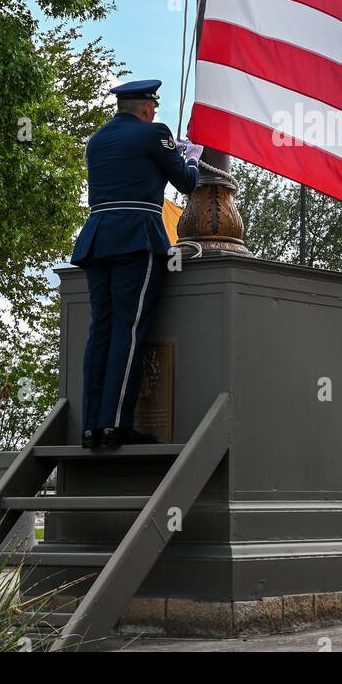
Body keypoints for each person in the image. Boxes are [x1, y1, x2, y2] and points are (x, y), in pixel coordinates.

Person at [70, 79, 203, 448]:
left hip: (97, 239)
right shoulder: (154, 134)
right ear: (147, 108)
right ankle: (115, 425)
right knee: (128, 331)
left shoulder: (96, 141)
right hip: (136, 236)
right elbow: (187, 182)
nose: (155, 113)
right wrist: (190, 154)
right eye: (154, 108)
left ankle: (92, 427)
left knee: (102, 330)